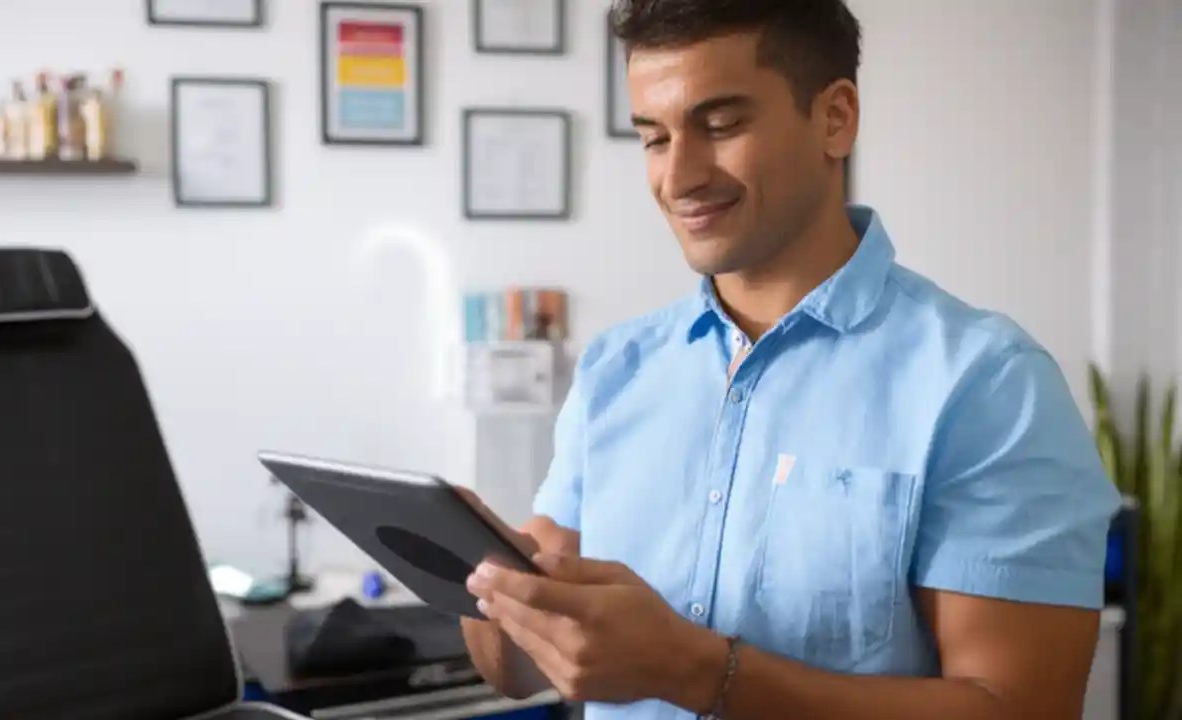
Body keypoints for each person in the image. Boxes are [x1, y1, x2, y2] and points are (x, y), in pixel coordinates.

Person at [459, 0, 1124, 718]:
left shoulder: (988, 384)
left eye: (720, 125)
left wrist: (695, 670)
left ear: (835, 118)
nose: (678, 177)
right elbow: (520, 667)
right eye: (653, 138)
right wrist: (480, 581)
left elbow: (1018, 709)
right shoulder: (614, 370)